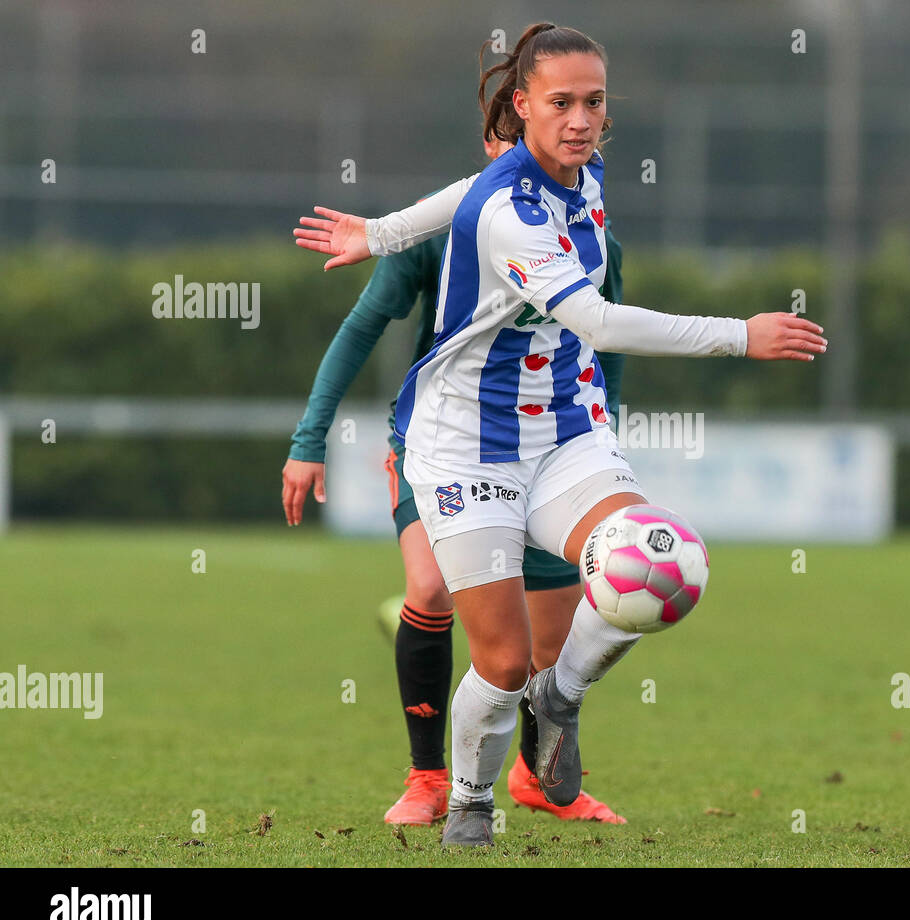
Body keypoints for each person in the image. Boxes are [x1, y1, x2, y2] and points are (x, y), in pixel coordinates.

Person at [294, 22, 826, 847]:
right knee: (501, 663)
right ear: (523, 107)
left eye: (595, 102)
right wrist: (739, 334)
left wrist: (381, 230)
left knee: (665, 559)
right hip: (464, 447)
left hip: (565, 435)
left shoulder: (580, 169)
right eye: (562, 103)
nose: (581, 119)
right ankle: (468, 797)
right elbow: (599, 320)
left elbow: (461, 189)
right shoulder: (513, 213)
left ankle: (561, 696)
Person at [283, 132, 628, 827]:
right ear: (493, 141)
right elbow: (362, 327)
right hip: (440, 445)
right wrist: (308, 438)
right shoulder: (439, 230)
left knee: (546, 652)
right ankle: (429, 778)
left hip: (550, 448)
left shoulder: (593, 237)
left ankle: (535, 777)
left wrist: (601, 441)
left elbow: (605, 341)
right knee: (431, 588)